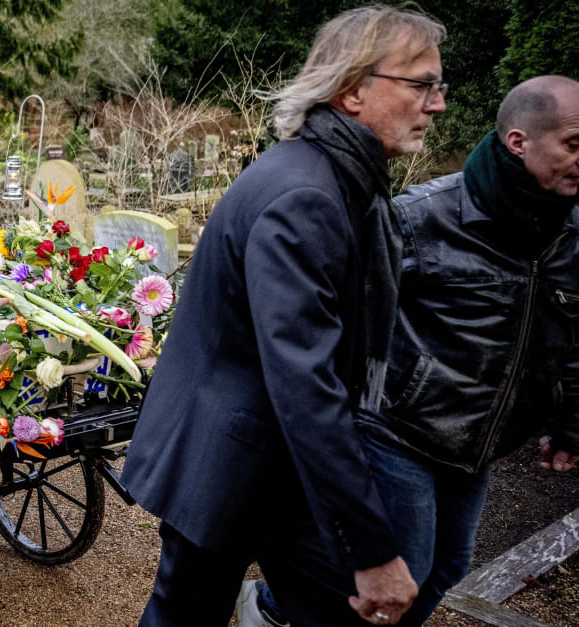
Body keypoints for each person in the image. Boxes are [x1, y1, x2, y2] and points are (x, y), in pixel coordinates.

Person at [120, 6, 448, 626]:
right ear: (353, 89)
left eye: (439, 85)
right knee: (186, 612)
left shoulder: (342, 178)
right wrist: (372, 550)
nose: (436, 103)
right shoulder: (307, 196)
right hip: (229, 458)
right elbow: (306, 385)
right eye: (420, 83)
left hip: (270, 459)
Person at [248, 75, 579, 627]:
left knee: (448, 566)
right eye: (574, 144)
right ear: (519, 142)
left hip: (478, 442)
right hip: (398, 430)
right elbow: (338, 317)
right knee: (405, 566)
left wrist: (570, 421)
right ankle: (285, 608)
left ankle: (278, 605)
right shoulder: (423, 217)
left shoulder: (573, 233)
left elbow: (570, 333)